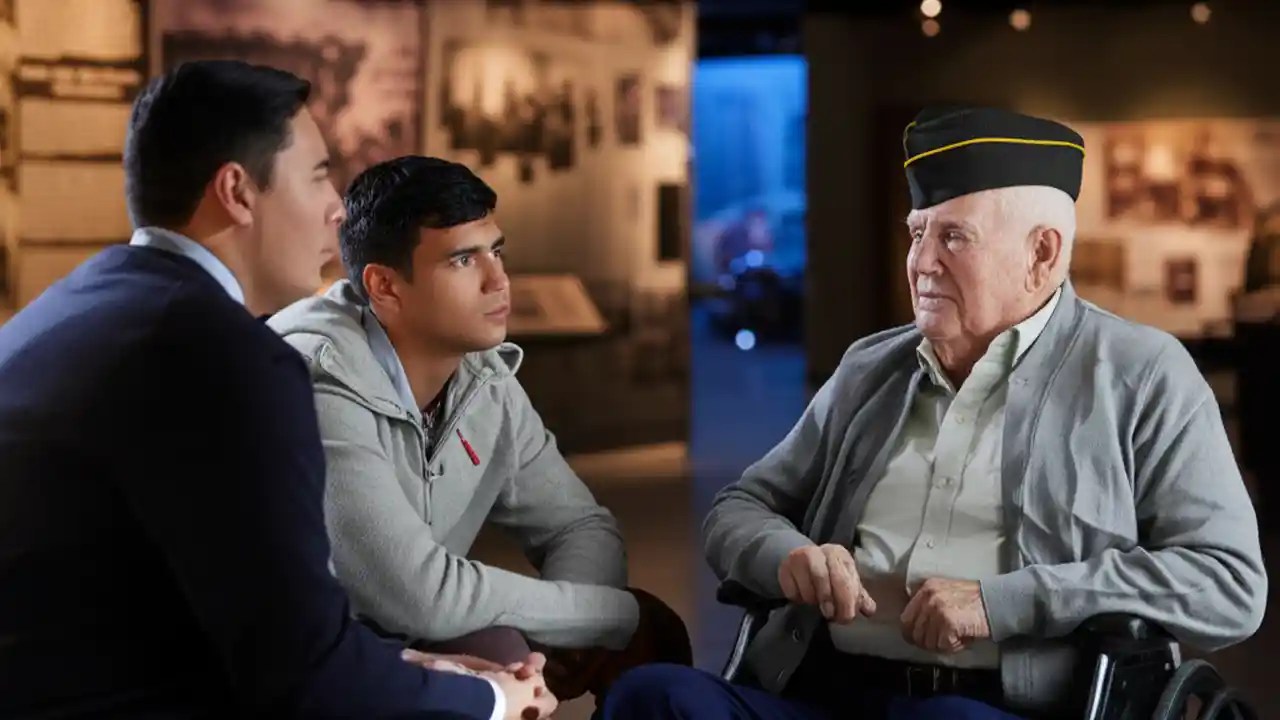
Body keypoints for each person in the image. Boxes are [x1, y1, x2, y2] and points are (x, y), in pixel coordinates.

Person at [599, 106, 1268, 719]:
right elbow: (737, 509)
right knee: (651, 696)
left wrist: (1000, 605)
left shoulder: (1141, 373)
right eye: (917, 233)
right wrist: (787, 557)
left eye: (954, 238)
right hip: (826, 689)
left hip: (996, 706)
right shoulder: (871, 368)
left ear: (1042, 254)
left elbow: (1226, 583)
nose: (920, 262)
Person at [0, 61, 554, 720]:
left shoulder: (58, 314)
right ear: (236, 190)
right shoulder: (227, 359)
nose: (337, 207)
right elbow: (306, 678)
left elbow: (231, 614)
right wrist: (493, 699)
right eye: (319, 174)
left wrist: (416, 668)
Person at [267, 155, 691, 701]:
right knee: (625, 633)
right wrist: (611, 615)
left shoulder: (481, 377)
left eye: (497, 251)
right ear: (385, 286)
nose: (499, 280)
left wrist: (554, 640)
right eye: (463, 260)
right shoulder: (316, 377)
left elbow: (579, 526)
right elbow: (418, 594)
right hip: (290, 676)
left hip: (398, 653)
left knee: (560, 657)